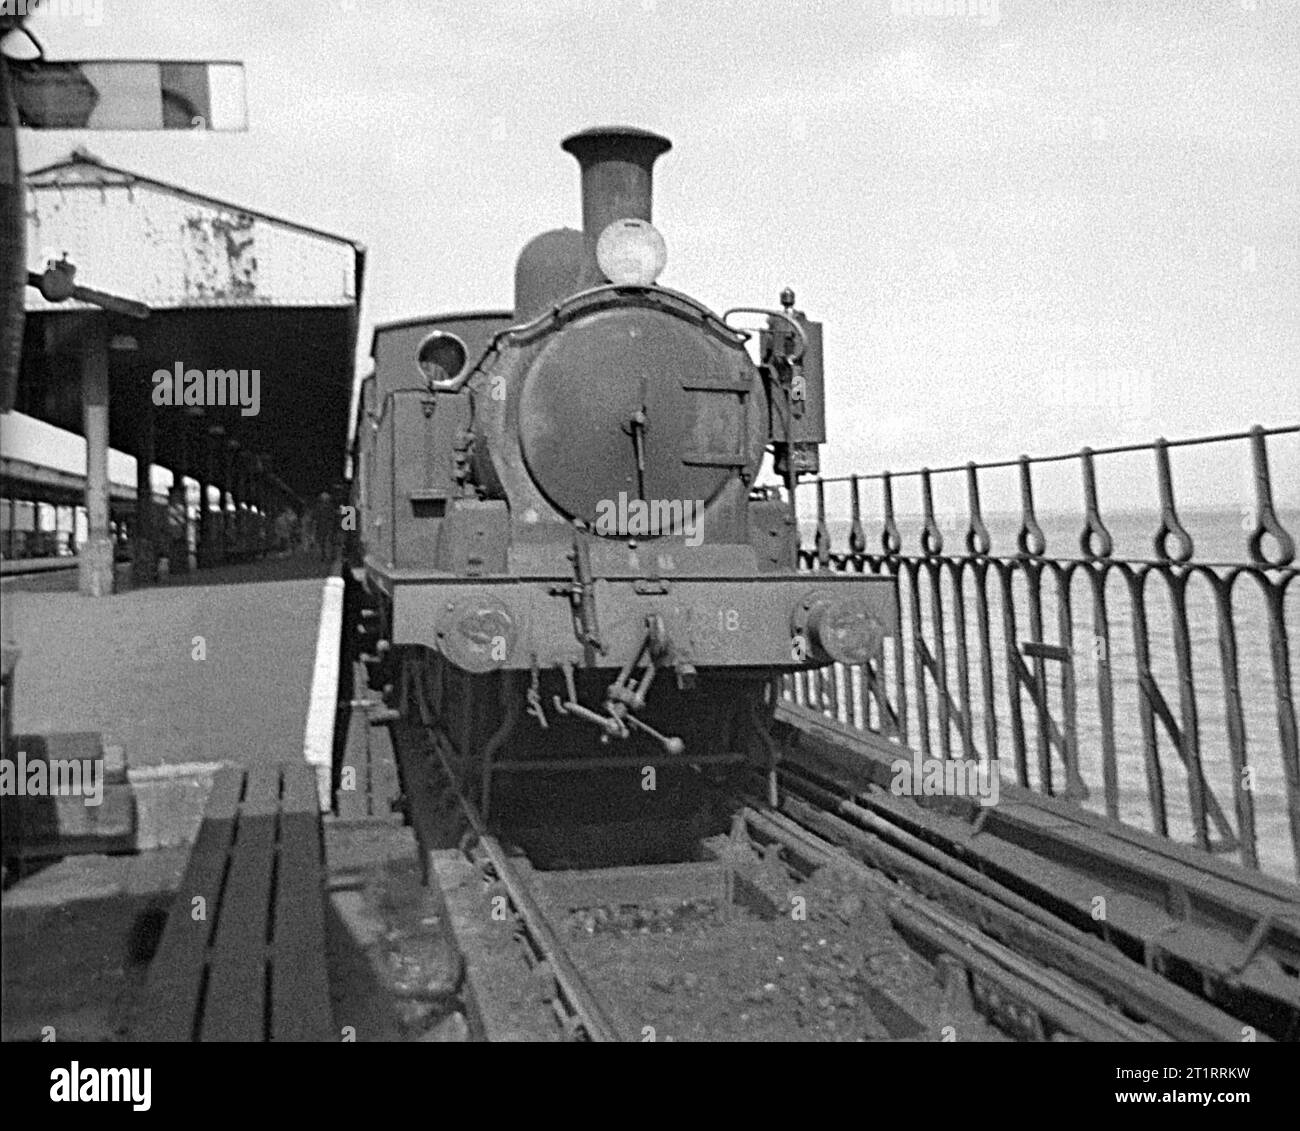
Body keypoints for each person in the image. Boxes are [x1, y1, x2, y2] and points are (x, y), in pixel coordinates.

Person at [313, 490, 336, 562]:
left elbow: (316, 517)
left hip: (325, 526)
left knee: (326, 542)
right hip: (324, 526)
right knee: (324, 542)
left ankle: (326, 555)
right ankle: (326, 555)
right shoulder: (327, 507)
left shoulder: (321, 507)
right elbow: (316, 517)